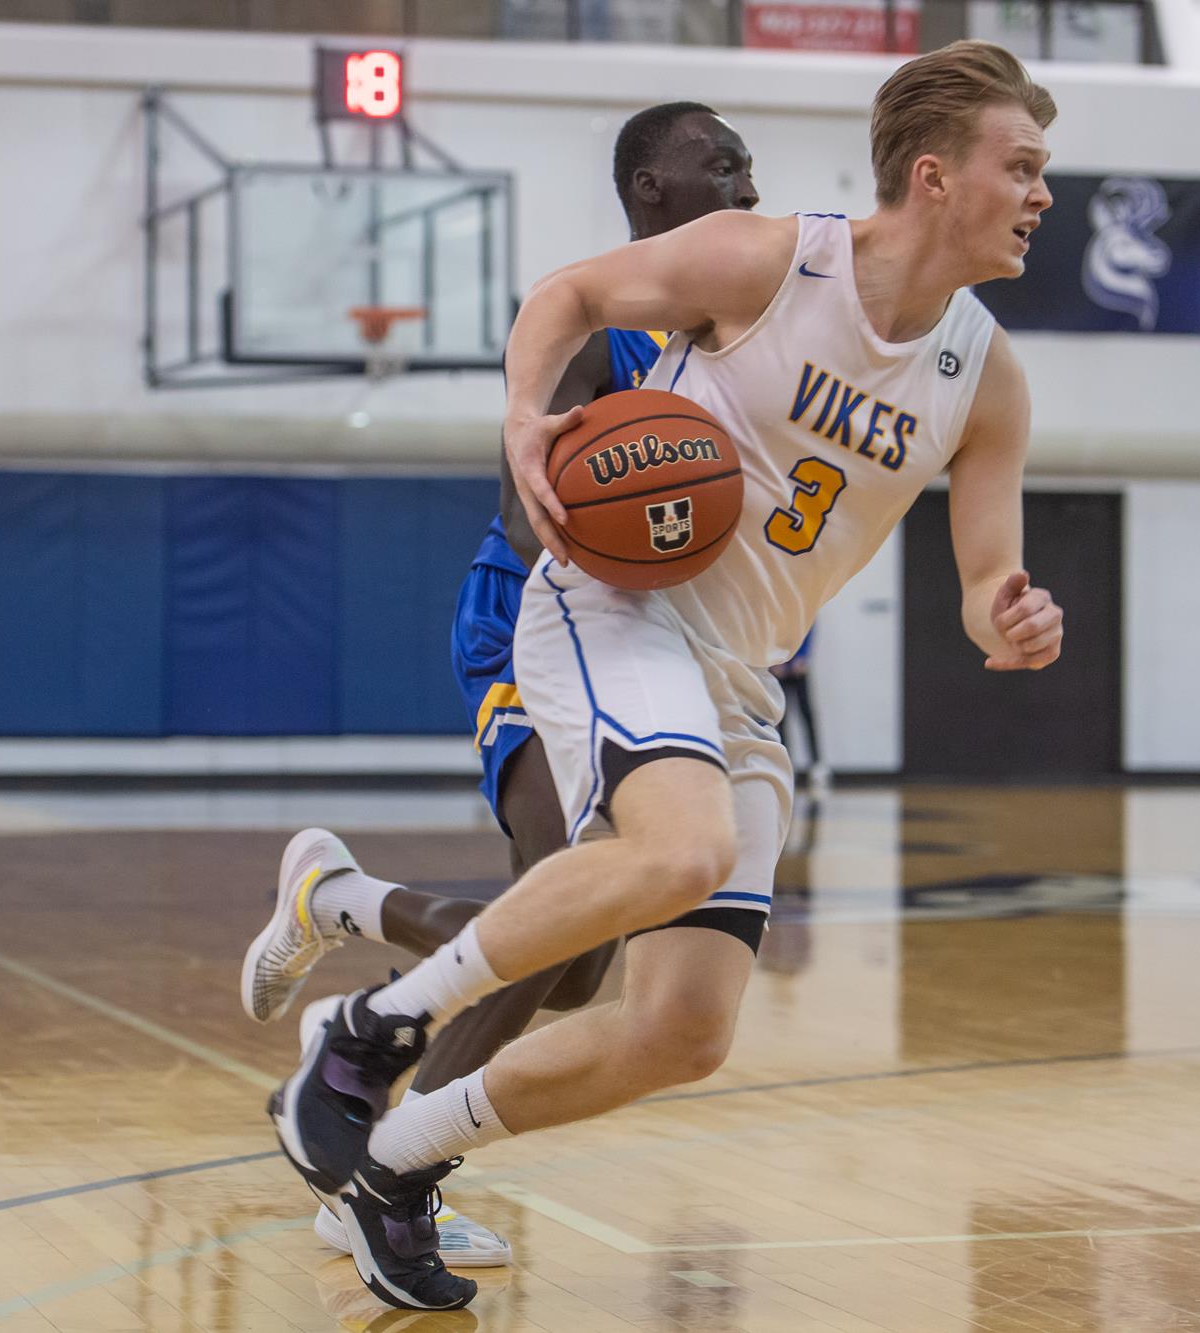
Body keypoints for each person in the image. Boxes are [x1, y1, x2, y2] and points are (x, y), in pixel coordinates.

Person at [262, 41, 1065, 1311]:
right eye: (1020, 166)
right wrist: (526, 414)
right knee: (672, 853)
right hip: (619, 609)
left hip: (739, 675)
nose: (1040, 193)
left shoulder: (987, 377)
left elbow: (982, 581)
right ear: (934, 175)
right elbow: (566, 296)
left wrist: (1006, 615)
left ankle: (399, 1168)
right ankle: (363, 1044)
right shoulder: (774, 258)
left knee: (680, 1030)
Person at [238, 103, 759, 1270]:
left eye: (748, 165)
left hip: (653, 642)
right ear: (647, 190)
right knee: (556, 909)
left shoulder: (744, 333)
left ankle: (338, 903)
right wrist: (644, 541)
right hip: (538, 620)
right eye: (714, 164)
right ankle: (380, 1175)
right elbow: (541, 517)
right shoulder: (601, 330)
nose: (742, 181)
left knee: (575, 960)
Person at [770, 630, 827, 791]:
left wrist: (803, 656)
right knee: (781, 717)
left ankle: (816, 765)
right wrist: (773, 660)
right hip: (778, 666)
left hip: (799, 666)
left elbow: (809, 626)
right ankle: (786, 764)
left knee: (806, 713)